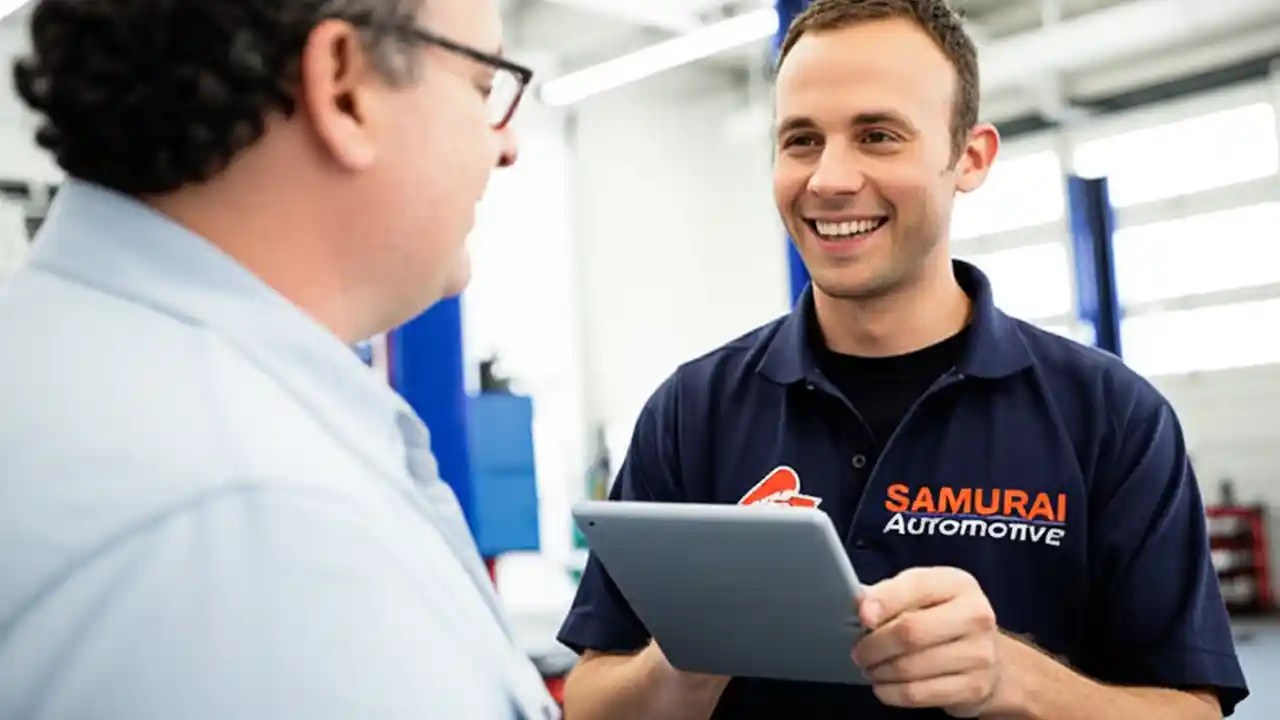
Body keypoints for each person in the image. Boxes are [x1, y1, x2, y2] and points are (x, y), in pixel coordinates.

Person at [556, 0, 1249, 718]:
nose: (829, 178)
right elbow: (589, 699)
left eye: (878, 136)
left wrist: (1011, 681)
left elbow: (1190, 711)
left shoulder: (1110, 418)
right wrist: (680, 667)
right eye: (800, 140)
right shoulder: (693, 411)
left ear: (970, 157)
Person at [0, 1, 559, 718]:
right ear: (345, 87)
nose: (506, 144)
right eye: (484, 87)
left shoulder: (57, 365)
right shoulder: (267, 539)